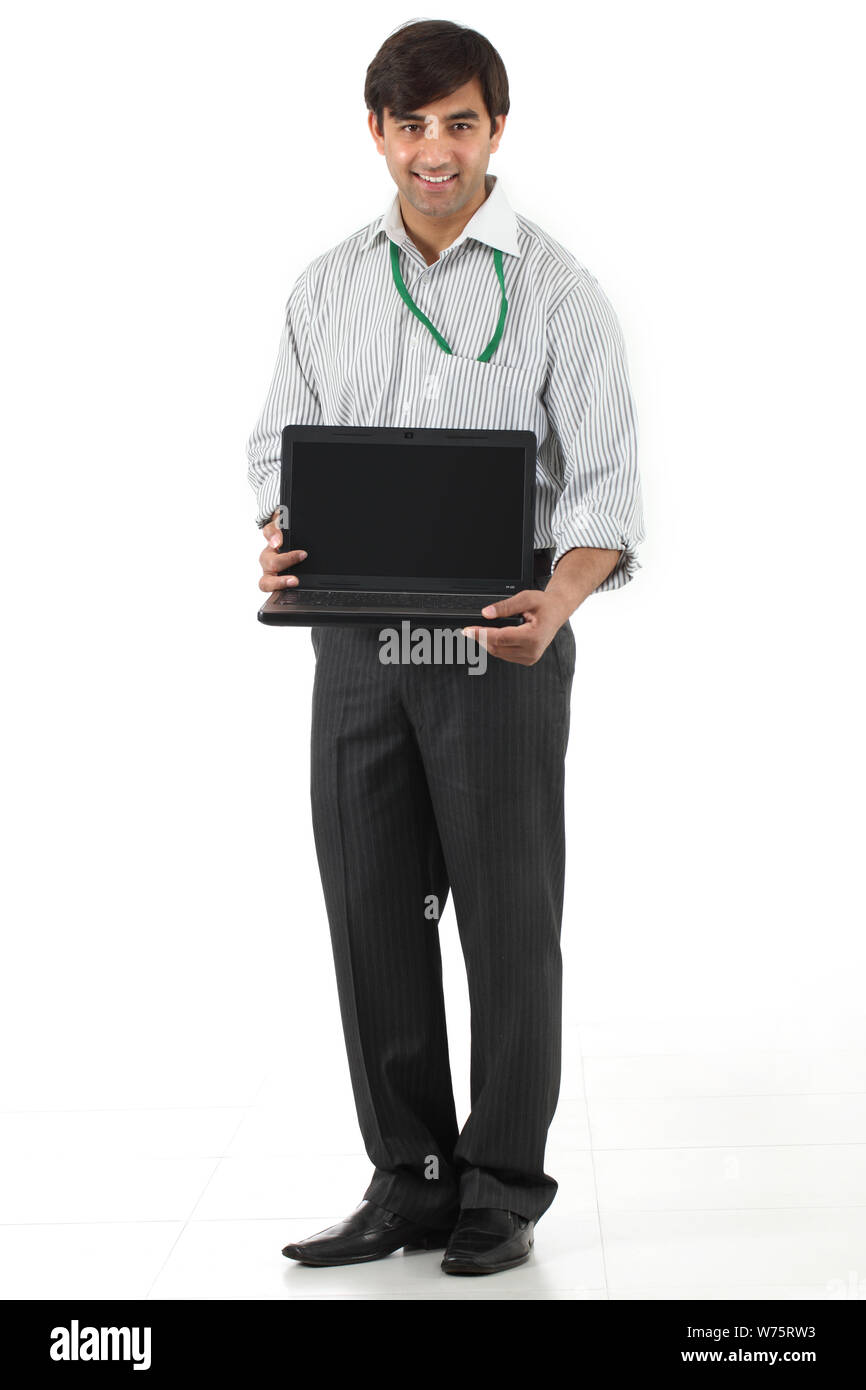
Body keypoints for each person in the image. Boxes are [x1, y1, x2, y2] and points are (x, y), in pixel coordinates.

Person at [246, 18, 645, 1276]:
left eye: (458, 123)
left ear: (495, 129)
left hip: (498, 640)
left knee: (503, 918)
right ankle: (408, 1178)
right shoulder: (324, 285)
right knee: (372, 910)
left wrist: (560, 599)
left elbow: (607, 494)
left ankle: (500, 1185)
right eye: (410, 125)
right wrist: (277, 534)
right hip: (356, 639)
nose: (434, 150)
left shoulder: (558, 292)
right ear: (375, 130)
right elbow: (275, 449)